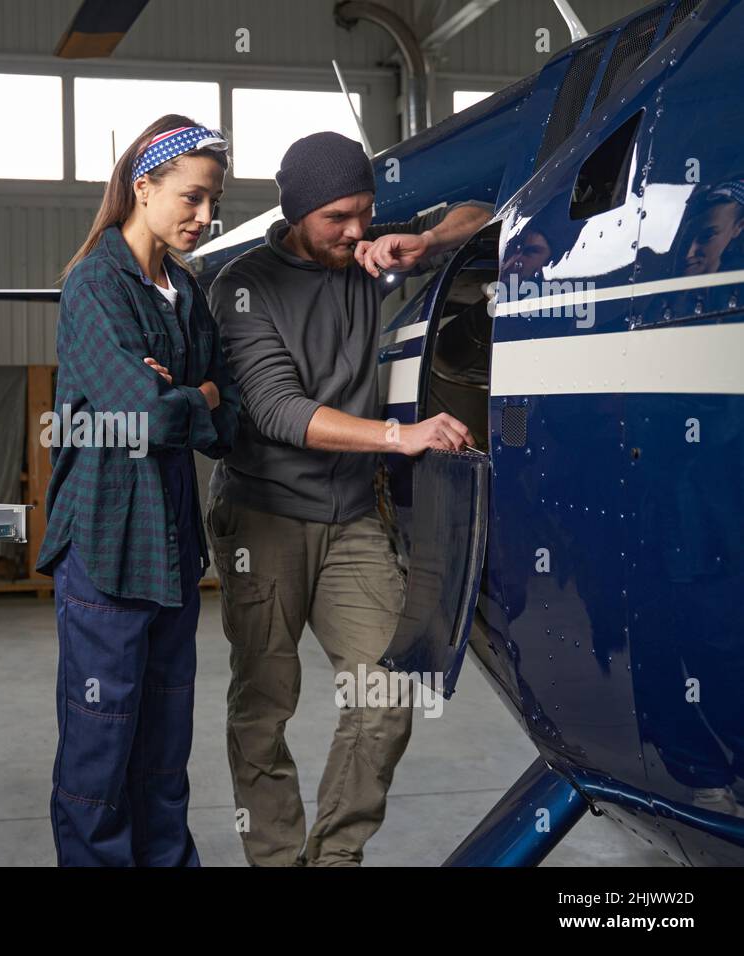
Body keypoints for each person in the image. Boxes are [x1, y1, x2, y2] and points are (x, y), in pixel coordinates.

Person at [206, 131, 491, 866]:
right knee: (265, 705)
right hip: (263, 518)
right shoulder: (244, 286)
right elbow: (279, 411)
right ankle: (274, 859)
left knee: (389, 693)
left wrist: (422, 243)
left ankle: (332, 858)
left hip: (354, 518)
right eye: (338, 216)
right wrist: (403, 437)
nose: (357, 230)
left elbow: (482, 213)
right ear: (297, 211)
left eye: (366, 211)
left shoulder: (369, 259)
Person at [35, 115, 241, 866]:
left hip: (172, 551)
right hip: (106, 545)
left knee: (162, 754)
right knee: (101, 753)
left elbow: (230, 422)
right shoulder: (94, 285)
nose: (205, 217)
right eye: (191, 198)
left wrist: (194, 400)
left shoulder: (184, 294)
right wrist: (199, 396)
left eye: (214, 201)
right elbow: (151, 415)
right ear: (142, 185)